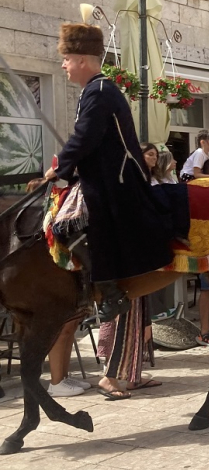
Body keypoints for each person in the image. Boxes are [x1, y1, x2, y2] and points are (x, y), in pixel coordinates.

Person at [43, 22, 174, 322]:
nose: (63, 65)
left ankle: (110, 293)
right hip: (103, 178)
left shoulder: (100, 91)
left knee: (67, 225)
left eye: (66, 58)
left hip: (115, 183)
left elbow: (84, 137)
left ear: (81, 60)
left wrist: (59, 168)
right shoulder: (95, 89)